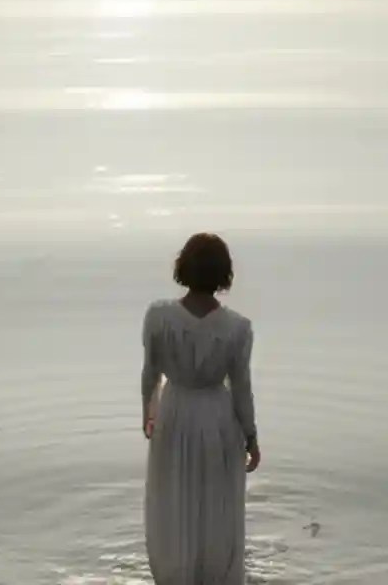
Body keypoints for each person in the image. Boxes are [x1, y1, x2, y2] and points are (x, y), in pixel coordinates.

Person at [141, 233, 260, 585]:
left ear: (184, 268)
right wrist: (251, 436)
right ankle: (215, 573)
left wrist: (148, 412)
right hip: (218, 417)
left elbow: (151, 372)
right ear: (224, 274)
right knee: (216, 499)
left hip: (174, 413)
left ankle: (176, 572)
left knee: (174, 495)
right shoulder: (238, 328)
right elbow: (241, 387)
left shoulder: (158, 317)